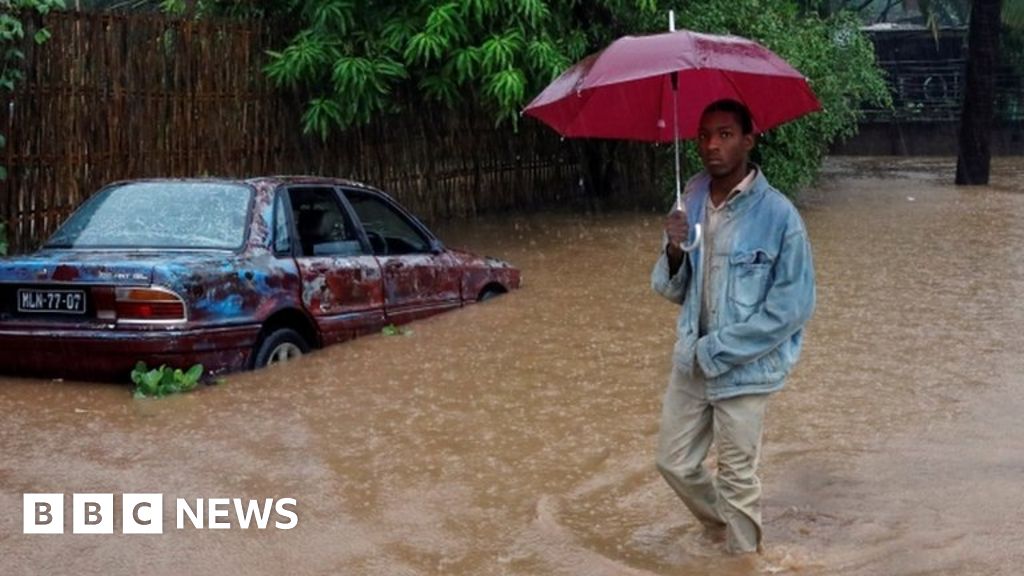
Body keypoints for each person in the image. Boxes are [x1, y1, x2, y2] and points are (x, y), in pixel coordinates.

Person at [651, 99, 816, 555]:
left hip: (745, 369)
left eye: (725, 134)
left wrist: (720, 347)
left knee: (738, 477)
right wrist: (674, 250)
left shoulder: (779, 216)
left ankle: (743, 560)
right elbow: (671, 289)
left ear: (748, 140)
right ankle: (721, 525)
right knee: (673, 462)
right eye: (704, 136)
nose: (712, 145)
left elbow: (792, 307)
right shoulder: (690, 198)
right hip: (692, 360)